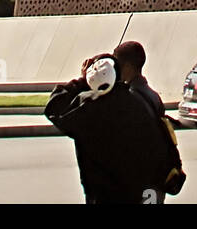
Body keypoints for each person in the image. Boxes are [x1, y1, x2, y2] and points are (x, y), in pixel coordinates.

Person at [45, 53, 176, 204]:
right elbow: (156, 152)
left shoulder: (87, 106)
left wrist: (82, 81)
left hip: (101, 195)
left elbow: (54, 106)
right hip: (137, 193)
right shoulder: (138, 103)